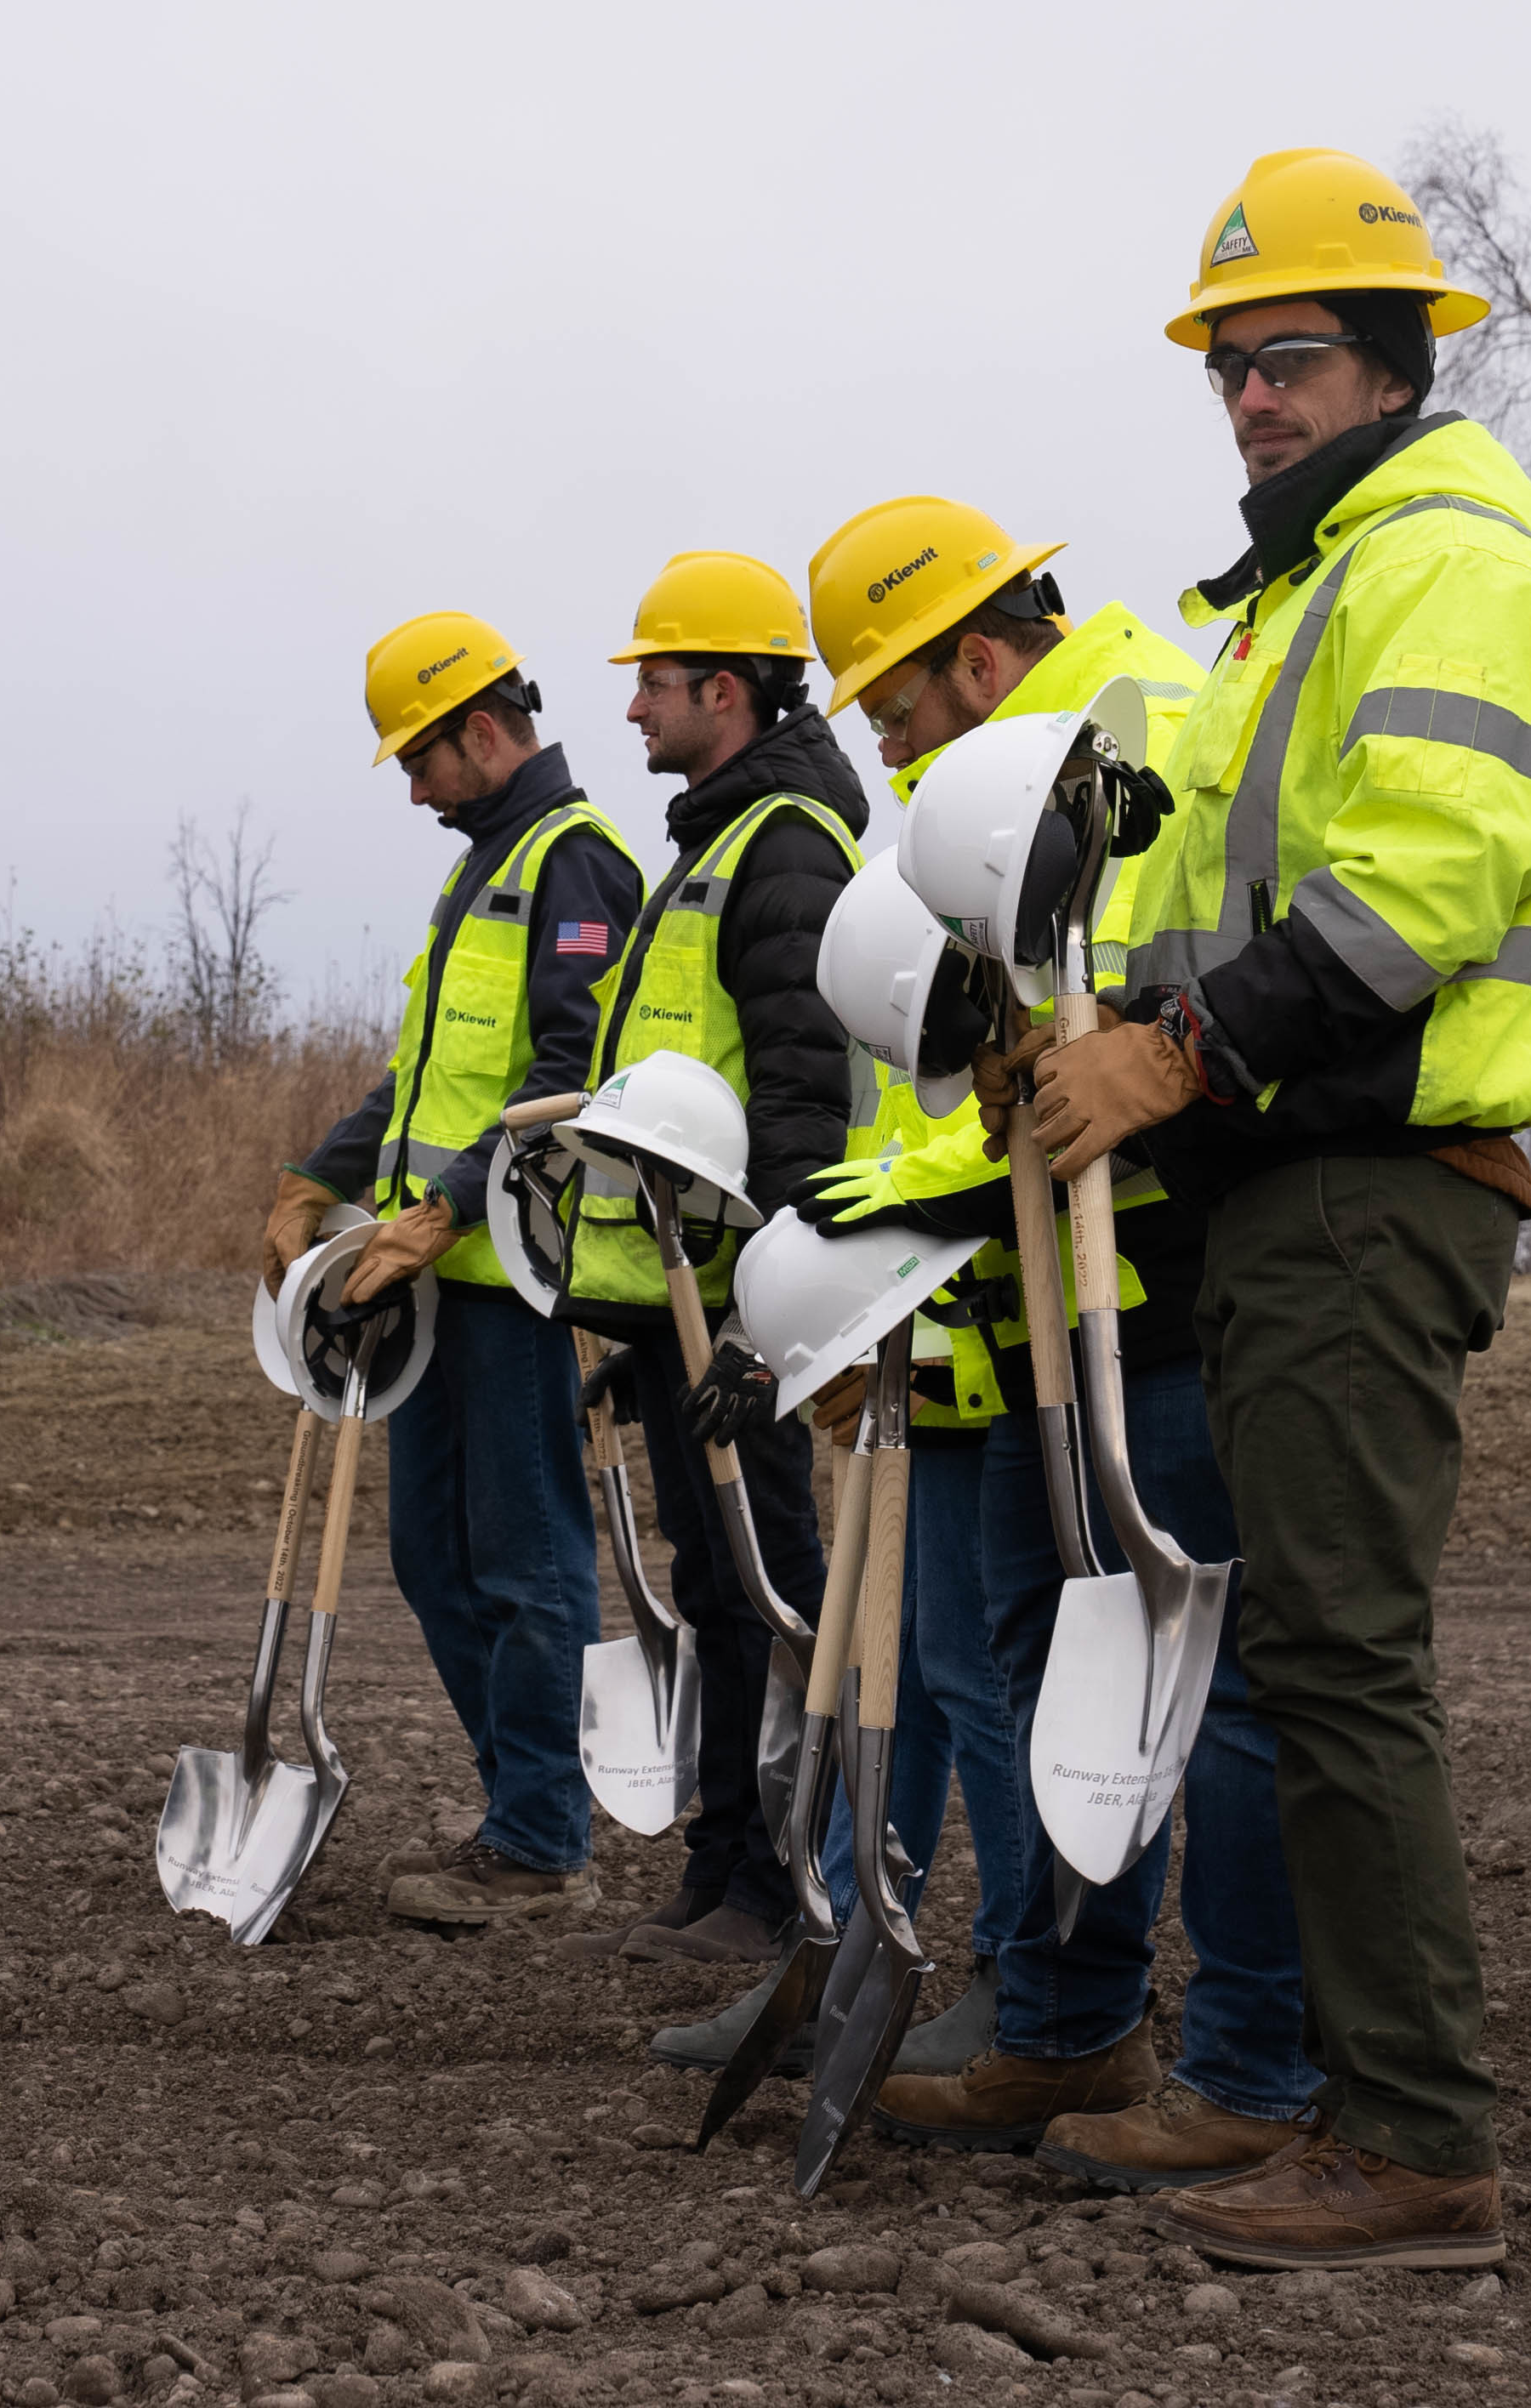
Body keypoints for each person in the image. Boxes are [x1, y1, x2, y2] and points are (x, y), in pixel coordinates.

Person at [1029, 149, 1531, 2268]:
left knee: (1339, 1663)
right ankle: (1313, 2103)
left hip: (1375, 1184)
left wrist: (1176, 1054)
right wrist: (1107, 1037)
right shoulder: (1296, 600)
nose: (1253, 398)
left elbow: (1428, 883)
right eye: (1228, 370)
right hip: (1296, 1184)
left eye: (1287, 359)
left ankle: (1418, 2147)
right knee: (1305, 1652)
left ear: (1388, 367)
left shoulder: (1439, 559)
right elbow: (1240, 906)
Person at [670, 497, 1317, 2183]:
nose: (880, 749)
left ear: (977, 657)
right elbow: (968, 1087)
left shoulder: (1129, 751)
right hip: (1017, 1298)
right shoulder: (982, 798)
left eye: (892, 706)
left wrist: (882, 1228)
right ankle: (1061, 2023)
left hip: (1147, 1288)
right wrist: (852, 1274)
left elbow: (1120, 1046)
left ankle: (1229, 2053)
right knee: (1031, 1677)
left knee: (1195, 1687)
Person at [266, 612, 646, 1928]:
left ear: (483, 733)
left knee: (527, 1563)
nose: (417, 791)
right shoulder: (482, 870)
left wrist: (448, 1209)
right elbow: (420, 1082)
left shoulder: (576, 864)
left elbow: (574, 1078)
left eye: (421, 762)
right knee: (433, 1561)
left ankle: (541, 1844)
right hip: (428, 1284)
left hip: (514, 1283)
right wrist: (316, 1175)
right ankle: (520, 1811)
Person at [547, 552, 867, 1968]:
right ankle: (725, 1861)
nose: (633, 710)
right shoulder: (717, 843)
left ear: (724, 691)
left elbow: (800, 1101)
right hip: (684, 1311)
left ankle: (781, 1885)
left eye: (655, 684)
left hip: (741, 1309)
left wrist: (768, 1324)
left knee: (766, 1588)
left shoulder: (782, 849)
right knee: (718, 1589)